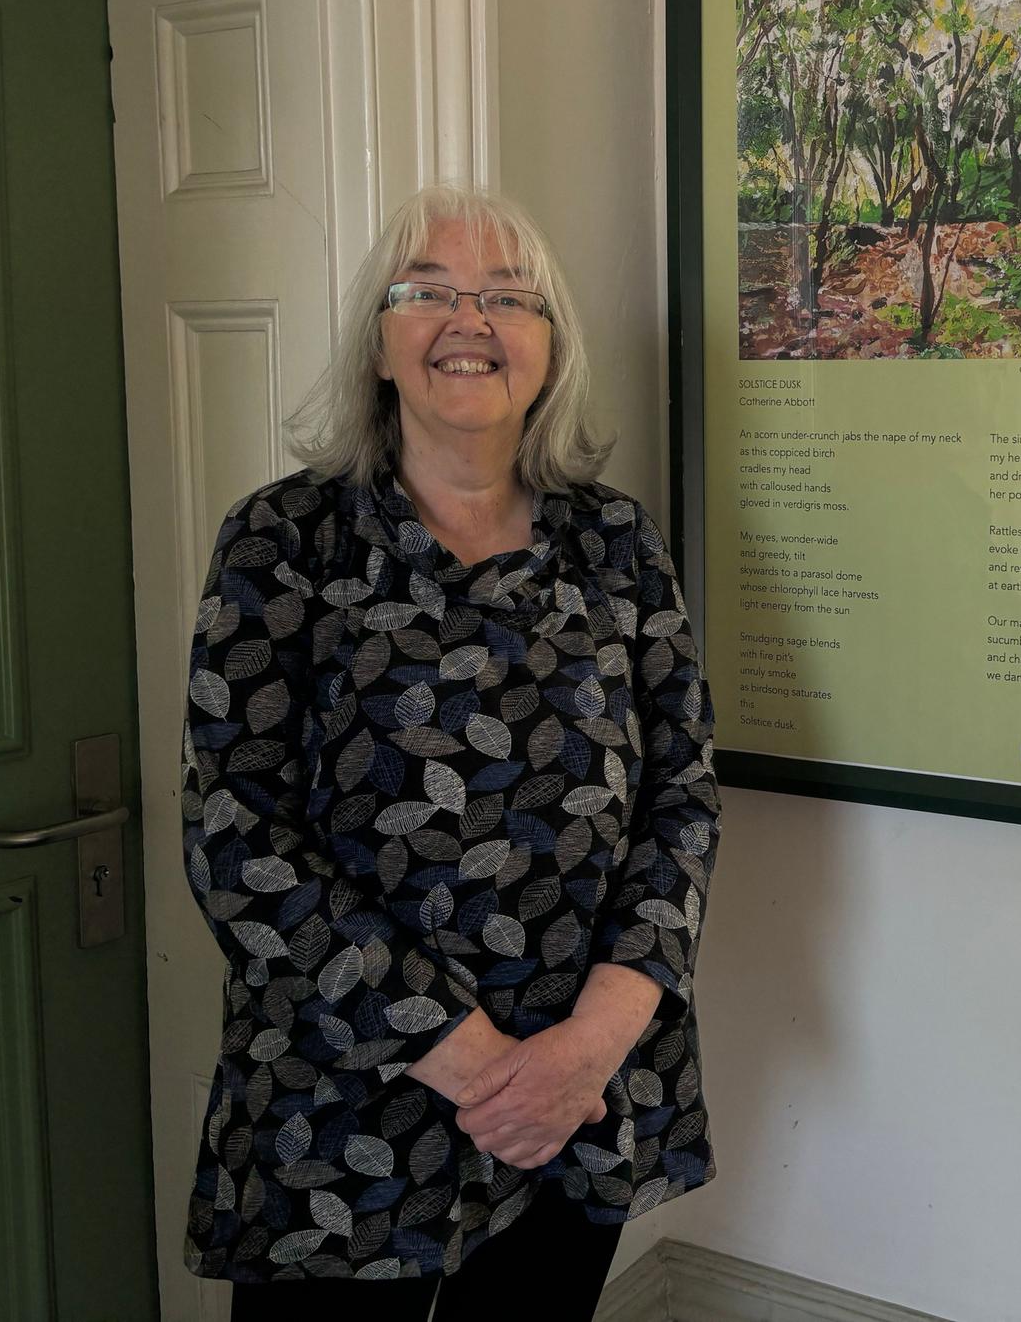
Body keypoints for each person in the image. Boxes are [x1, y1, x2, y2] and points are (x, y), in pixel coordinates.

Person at [178, 184, 720, 1319]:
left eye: (509, 298)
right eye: (427, 291)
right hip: (341, 1112)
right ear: (378, 344)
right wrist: (475, 1066)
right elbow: (235, 835)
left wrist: (585, 1051)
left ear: (549, 348)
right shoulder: (284, 539)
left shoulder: (616, 542)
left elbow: (681, 799)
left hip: (575, 1097)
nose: (470, 321)